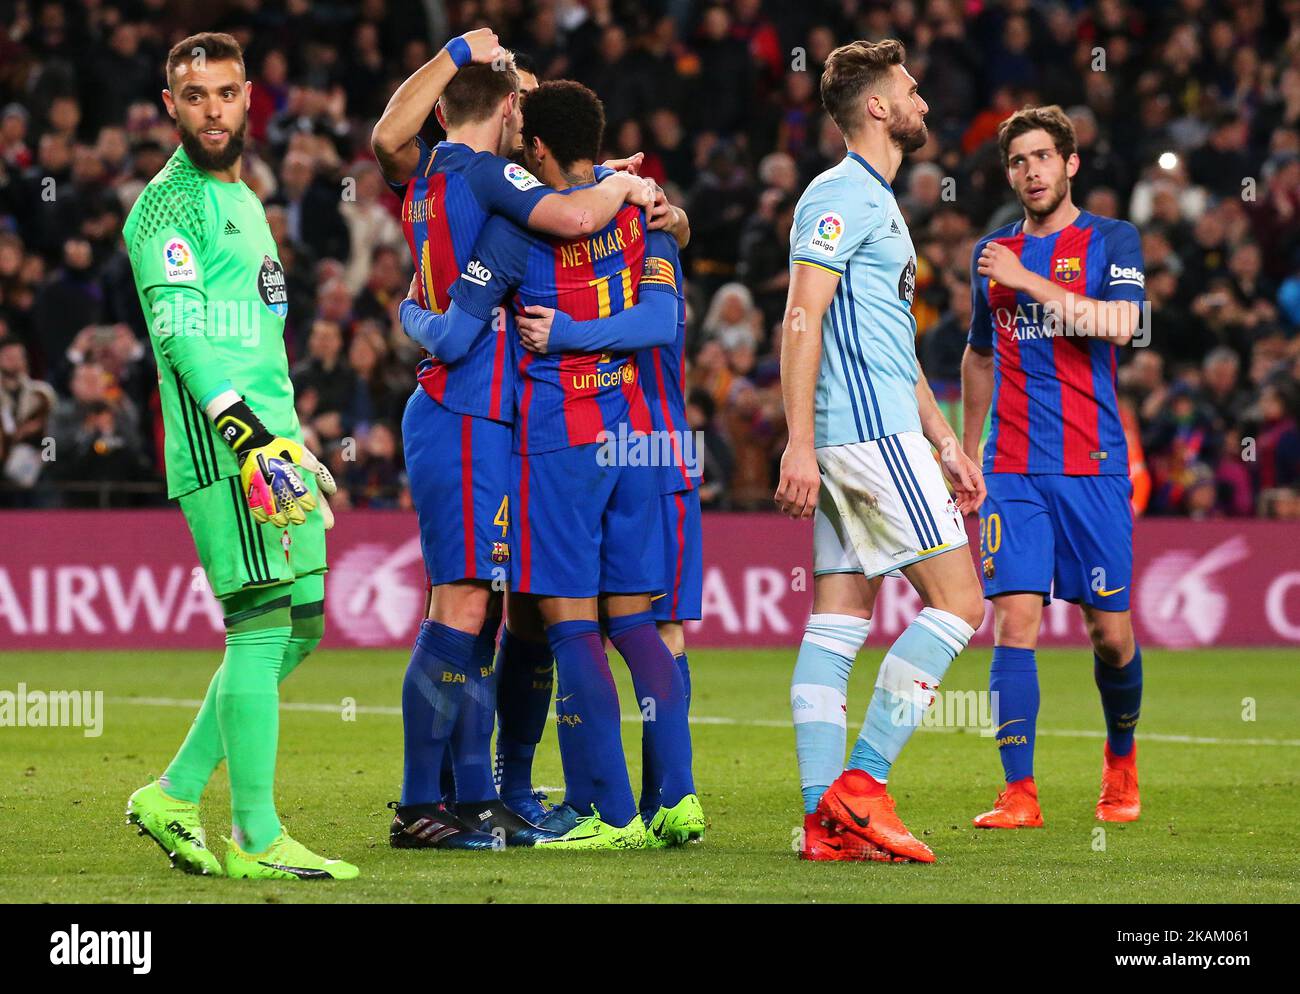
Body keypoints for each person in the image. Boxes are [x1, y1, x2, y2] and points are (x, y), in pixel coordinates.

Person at [370, 30, 657, 849]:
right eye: (519, 103)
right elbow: (569, 214)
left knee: (480, 611)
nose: (526, 121)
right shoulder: (488, 173)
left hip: (471, 412)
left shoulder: (426, 173)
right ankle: (424, 803)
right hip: (465, 408)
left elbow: (390, 132)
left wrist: (453, 54)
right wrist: (627, 187)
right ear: (502, 111)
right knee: (460, 604)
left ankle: (469, 795)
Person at [122, 32, 356, 880]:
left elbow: (255, 337)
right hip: (228, 452)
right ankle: (256, 838)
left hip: (273, 445)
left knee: (302, 627)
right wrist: (249, 439)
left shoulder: (248, 200)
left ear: (249, 96)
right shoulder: (165, 207)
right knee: (259, 629)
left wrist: (294, 442)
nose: (212, 110)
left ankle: (174, 794)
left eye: (225, 93)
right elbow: (181, 337)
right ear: (169, 105)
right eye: (195, 96)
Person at [775, 40, 986, 864]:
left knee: (839, 618)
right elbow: (802, 317)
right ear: (876, 108)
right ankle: (861, 789)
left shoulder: (877, 202)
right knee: (962, 603)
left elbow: (891, 347)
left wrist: (944, 442)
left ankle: (824, 824)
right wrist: (800, 441)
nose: (923, 101)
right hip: (861, 435)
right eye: (909, 89)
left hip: (877, 432)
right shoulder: (838, 195)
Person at [961, 105, 1148, 829]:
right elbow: (979, 354)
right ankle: (1019, 792)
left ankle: (1122, 758)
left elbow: (1121, 325)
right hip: (1012, 466)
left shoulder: (1110, 238)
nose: (1030, 171)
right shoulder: (992, 254)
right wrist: (967, 448)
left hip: (1093, 465)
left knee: (1111, 632)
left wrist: (1028, 282)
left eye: (1042, 157)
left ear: (1070, 163)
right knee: (1013, 620)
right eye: (1017, 161)